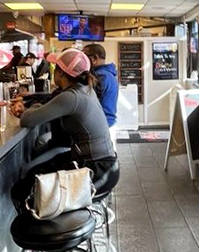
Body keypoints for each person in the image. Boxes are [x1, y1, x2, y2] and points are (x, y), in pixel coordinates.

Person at [9, 47, 117, 206]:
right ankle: (45, 219)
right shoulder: (84, 88)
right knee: (33, 173)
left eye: (55, 68)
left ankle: (44, 224)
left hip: (97, 172)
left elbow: (27, 120)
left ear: (60, 73)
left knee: (22, 188)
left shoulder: (70, 97)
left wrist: (33, 107)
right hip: (102, 164)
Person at [83, 43, 118, 128]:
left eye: (84, 57)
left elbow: (84, 102)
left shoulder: (99, 77)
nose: (82, 61)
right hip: (108, 123)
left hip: (100, 124)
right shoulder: (109, 74)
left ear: (95, 58)